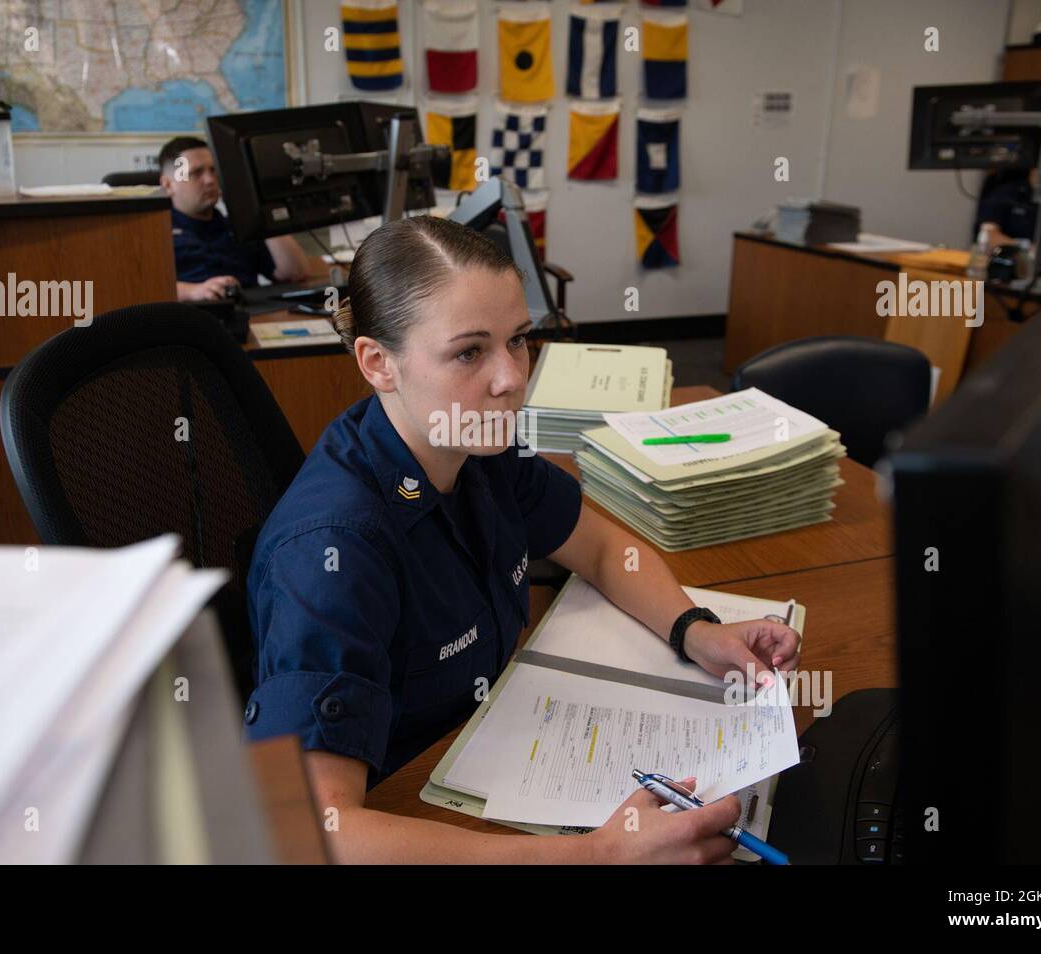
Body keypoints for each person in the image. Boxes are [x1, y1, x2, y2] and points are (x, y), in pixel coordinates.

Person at [243, 216, 801, 864]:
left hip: (488, 747)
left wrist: (695, 631)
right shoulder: (331, 552)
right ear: (378, 363)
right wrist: (599, 857)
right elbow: (320, 830)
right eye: (469, 352)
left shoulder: (475, 446)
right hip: (408, 810)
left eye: (519, 340)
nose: (511, 379)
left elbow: (599, 548)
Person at [156, 136, 311, 302]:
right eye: (196, 173)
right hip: (189, 316)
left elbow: (294, 272)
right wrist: (193, 292)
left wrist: (257, 210)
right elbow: (139, 287)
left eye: (213, 170)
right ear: (168, 185)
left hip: (250, 313)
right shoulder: (154, 232)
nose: (210, 180)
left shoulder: (238, 225)